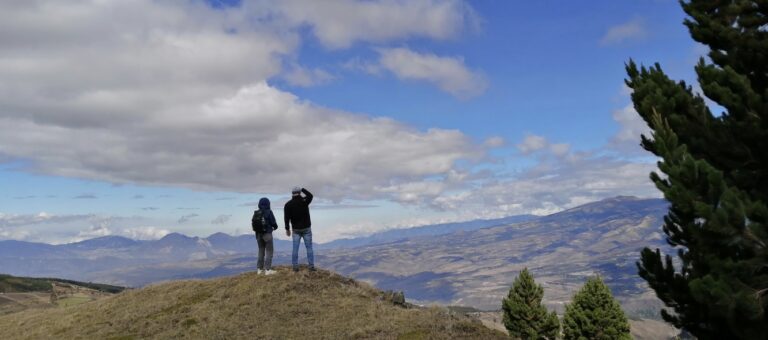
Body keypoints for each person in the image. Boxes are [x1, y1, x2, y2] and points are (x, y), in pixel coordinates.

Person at [284, 187, 314, 272]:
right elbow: (310, 195)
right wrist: (303, 189)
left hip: (296, 230)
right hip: (306, 228)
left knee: (295, 248)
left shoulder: (288, 204)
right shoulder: (304, 201)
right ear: (299, 193)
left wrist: (287, 229)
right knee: (309, 248)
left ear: (292, 193)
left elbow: (286, 218)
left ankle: (295, 267)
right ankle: (311, 266)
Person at [253, 197, 278, 275]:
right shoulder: (269, 212)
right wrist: (275, 227)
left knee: (261, 250)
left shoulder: (256, 213)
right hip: (267, 233)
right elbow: (273, 222)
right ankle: (267, 270)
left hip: (258, 234)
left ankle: (259, 270)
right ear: (268, 204)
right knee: (269, 251)